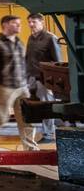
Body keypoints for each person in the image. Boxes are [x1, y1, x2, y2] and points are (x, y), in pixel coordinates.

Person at [0, 14, 37, 151]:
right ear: (5, 25)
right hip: (4, 87)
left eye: (19, 23)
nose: (19, 25)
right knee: (2, 117)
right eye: (15, 23)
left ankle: (30, 148)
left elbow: (23, 65)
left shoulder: (19, 42)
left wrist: (28, 82)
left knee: (27, 118)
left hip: (22, 86)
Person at [25, 13, 62, 144]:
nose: (30, 25)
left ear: (42, 22)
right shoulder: (31, 38)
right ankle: (48, 129)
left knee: (47, 105)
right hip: (31, 78)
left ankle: (48, 134)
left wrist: (53, 82)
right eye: (29, 22)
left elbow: (58, 62)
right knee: (33, 106)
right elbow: (27, 58)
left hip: (45, 79)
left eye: (33, 22)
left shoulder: (51, 38)